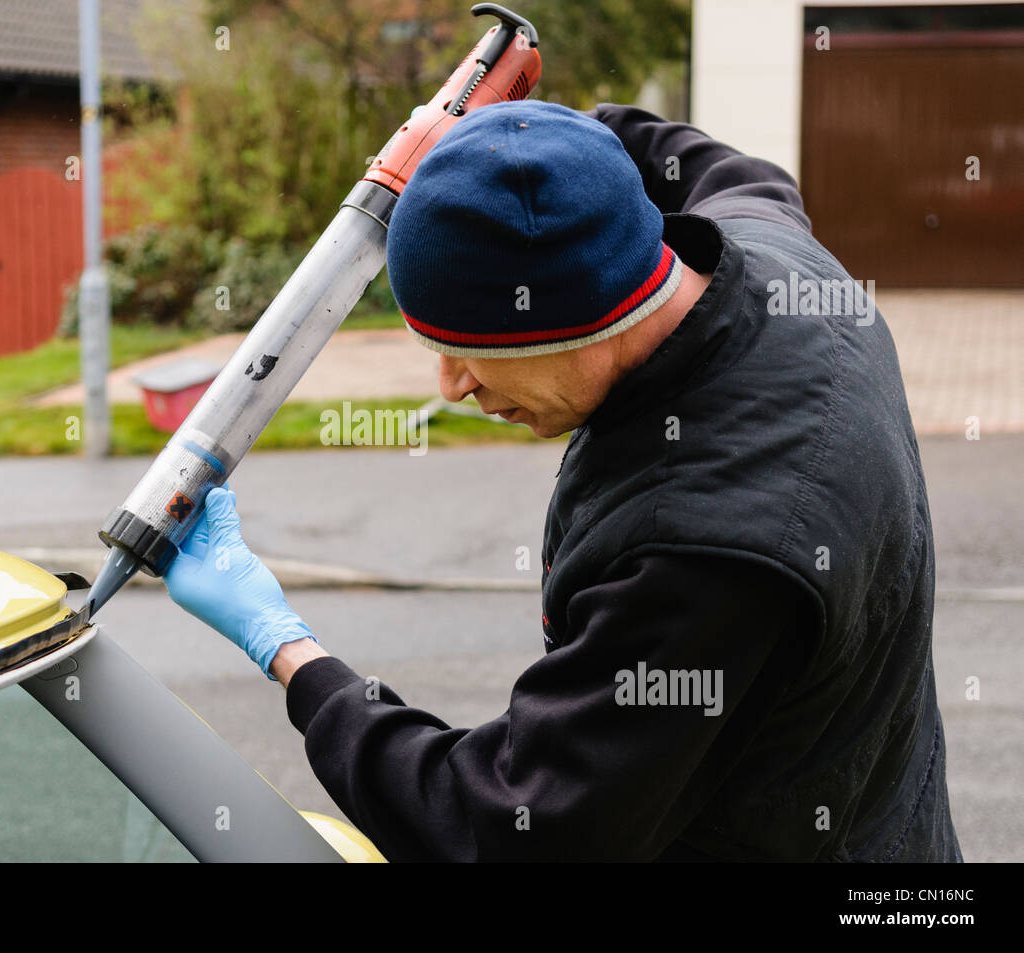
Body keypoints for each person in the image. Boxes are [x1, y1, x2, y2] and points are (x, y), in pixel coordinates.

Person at [163, 100, 962, 862]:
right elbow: (685, 159)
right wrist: (500, 137)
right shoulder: (781, 260)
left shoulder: (703, 552)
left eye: (471, 350)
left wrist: (287, 650)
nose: (451, 387)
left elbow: (506, 826)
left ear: (583, 325)